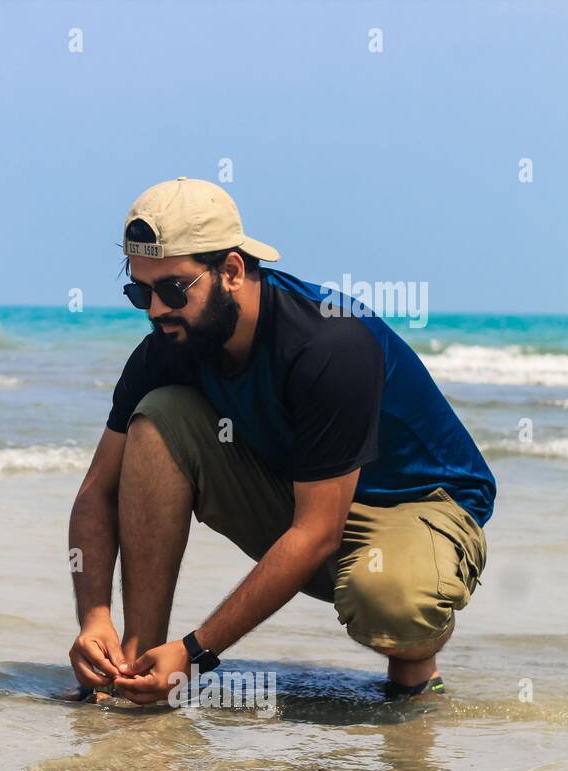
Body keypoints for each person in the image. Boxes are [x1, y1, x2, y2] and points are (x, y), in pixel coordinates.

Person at [67, 177, 495, 703]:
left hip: (415, 506)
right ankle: (137, 662)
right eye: (141, 291)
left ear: (231, 270)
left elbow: (315, 534)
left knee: (391, 602)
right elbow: (96, 492)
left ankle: (415, 659)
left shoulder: (328, 343)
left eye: (174, 289)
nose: (156, 309)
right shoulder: (167, 348)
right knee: (156, 418)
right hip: (304, 501)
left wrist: (197, 653)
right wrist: (94, 618)